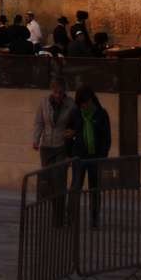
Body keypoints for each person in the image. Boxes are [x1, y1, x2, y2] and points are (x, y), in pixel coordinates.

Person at [32, 76, 75, 226]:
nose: (57, 95)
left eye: (60, 92)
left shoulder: (71, 105)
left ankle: (58, 218)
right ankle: (56, 211)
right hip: (46, 147)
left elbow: (75, 124)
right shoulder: (44, 102)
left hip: (61, 146)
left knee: (59, 181)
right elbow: (39, 122)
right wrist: (36, 139)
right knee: (48, 182)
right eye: (55, 92)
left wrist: (72, 133)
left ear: (64, 92)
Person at [67, 85, 112, 228]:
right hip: (78, 157)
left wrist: (102, 156)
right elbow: (68, 134)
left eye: (85, 102)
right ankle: (71, 218)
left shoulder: (101, 114)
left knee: (95, 189)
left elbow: (106, 138)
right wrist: (70, 154)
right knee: (75, 187)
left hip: (95, 158)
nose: (83, 106)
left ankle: (94, 218)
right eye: (81, 103)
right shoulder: (75, 114)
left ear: (92, 100)